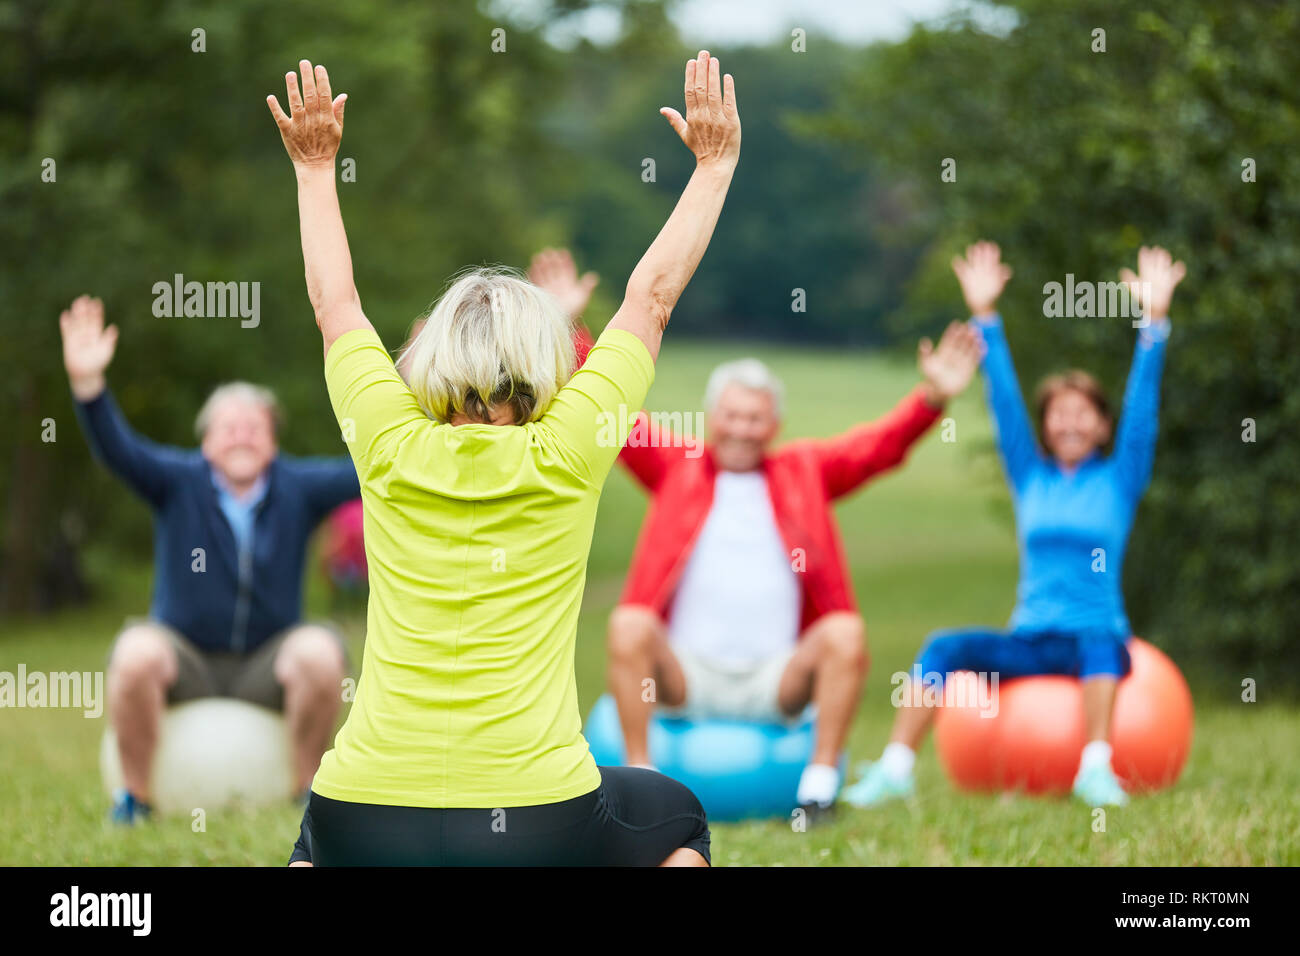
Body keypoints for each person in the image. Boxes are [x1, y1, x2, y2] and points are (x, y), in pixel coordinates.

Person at [268, 51, 740, 865]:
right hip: (533, 821)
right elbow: (650, 297)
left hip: (365, 811)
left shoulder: (386, 440)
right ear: (546, 364)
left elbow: (333, 301)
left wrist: (316, 169)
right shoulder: (571, 450)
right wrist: (715, 165)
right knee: (676, 814)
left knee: (317, 838)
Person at [529, 249, 984, 819]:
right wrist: (567, 325)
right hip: (686, 674)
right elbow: (611, 409)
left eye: (755, 418)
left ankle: (818, 791)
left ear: (775, 425)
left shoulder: (806, 471)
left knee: (844, 632)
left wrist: (933, 398)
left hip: (777, 680)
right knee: (628, 622)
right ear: (712, 416)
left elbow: (878, 447)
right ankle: (642, 780)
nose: (742, 428)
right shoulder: (675, 464)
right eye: (732, 415)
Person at [844, 241, 1184, 809]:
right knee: (942, 647)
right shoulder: (1030, 478)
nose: (1070, 422)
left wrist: (1154, 323)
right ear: (1047, 426)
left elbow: (1143, 408)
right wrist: (985, 316)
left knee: (1102, 640)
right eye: (1058, 413)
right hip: (1030, 640)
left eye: (1083, 413)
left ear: (1102, 427)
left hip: (1094, 645)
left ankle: (1095, 770)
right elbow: (1004, 403)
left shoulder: (1120, 479)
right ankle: (895, 768)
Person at [59, 295, 358, 824]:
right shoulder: (177, 482)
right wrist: (89, 388)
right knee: (134, 654)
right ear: (205, 442)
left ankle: (305, 796)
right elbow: (117, 449)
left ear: (273, 440)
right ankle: (135, 800)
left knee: (319, 652)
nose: (242, 433)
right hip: (185, 657)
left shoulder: (299, 488)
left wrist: (423, 393)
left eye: (254, 426)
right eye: (228, 426)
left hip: (270, 658)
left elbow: (376, 462)